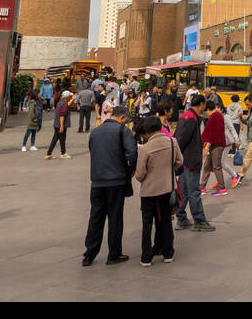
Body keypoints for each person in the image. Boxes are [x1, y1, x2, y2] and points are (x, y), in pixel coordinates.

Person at [83, 105, 137, 265]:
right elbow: (132, 152)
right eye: (125, 121)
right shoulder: (122, 130)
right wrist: (130, 169)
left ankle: (89, 254)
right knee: (115, 217)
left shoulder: (95, 131)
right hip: (116, 180)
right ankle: (114, 254)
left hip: (97, 180)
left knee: (95, 217)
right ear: (121, 118)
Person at [134, 115, 183, 266]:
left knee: (147, 224)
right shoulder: (172, 142)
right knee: (166, 220)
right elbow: (179, 162)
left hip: (149, 192)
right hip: (167, 188)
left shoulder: (145, 148)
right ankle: (168, 252)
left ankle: (146, 257)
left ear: (147, 131)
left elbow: (139, 174)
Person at [174, 97, 217, 231]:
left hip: (185, 160)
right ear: (201, 104)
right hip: (190, 160)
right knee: (193, 192)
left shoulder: (188, 116)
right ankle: (199, 220)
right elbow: (180, 140)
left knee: (184, 191)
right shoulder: (191, 118)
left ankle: (181, 219)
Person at [200, 98, 233, 194]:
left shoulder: (215, 116)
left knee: (216, 166)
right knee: (207, 166)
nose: (206, 113)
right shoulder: (217, 116)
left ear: (208, 109)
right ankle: (202, 188)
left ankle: (222, 188)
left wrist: (206, 147)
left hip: (216, 145)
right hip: (215, 145)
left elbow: (213, 134)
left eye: (206, 111)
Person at [45, 91, 73, 159]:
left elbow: (67, 105)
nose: (70, 97)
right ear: (67, 97)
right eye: (70, 96)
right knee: (62, 139)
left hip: (56, 124)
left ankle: (48, 154)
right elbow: (62, 115)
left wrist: (72, 99)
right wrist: (62, 126)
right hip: (60, 125)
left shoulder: (61, 102)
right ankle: (63, 153)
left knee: (55, 139)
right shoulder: (64, 104)